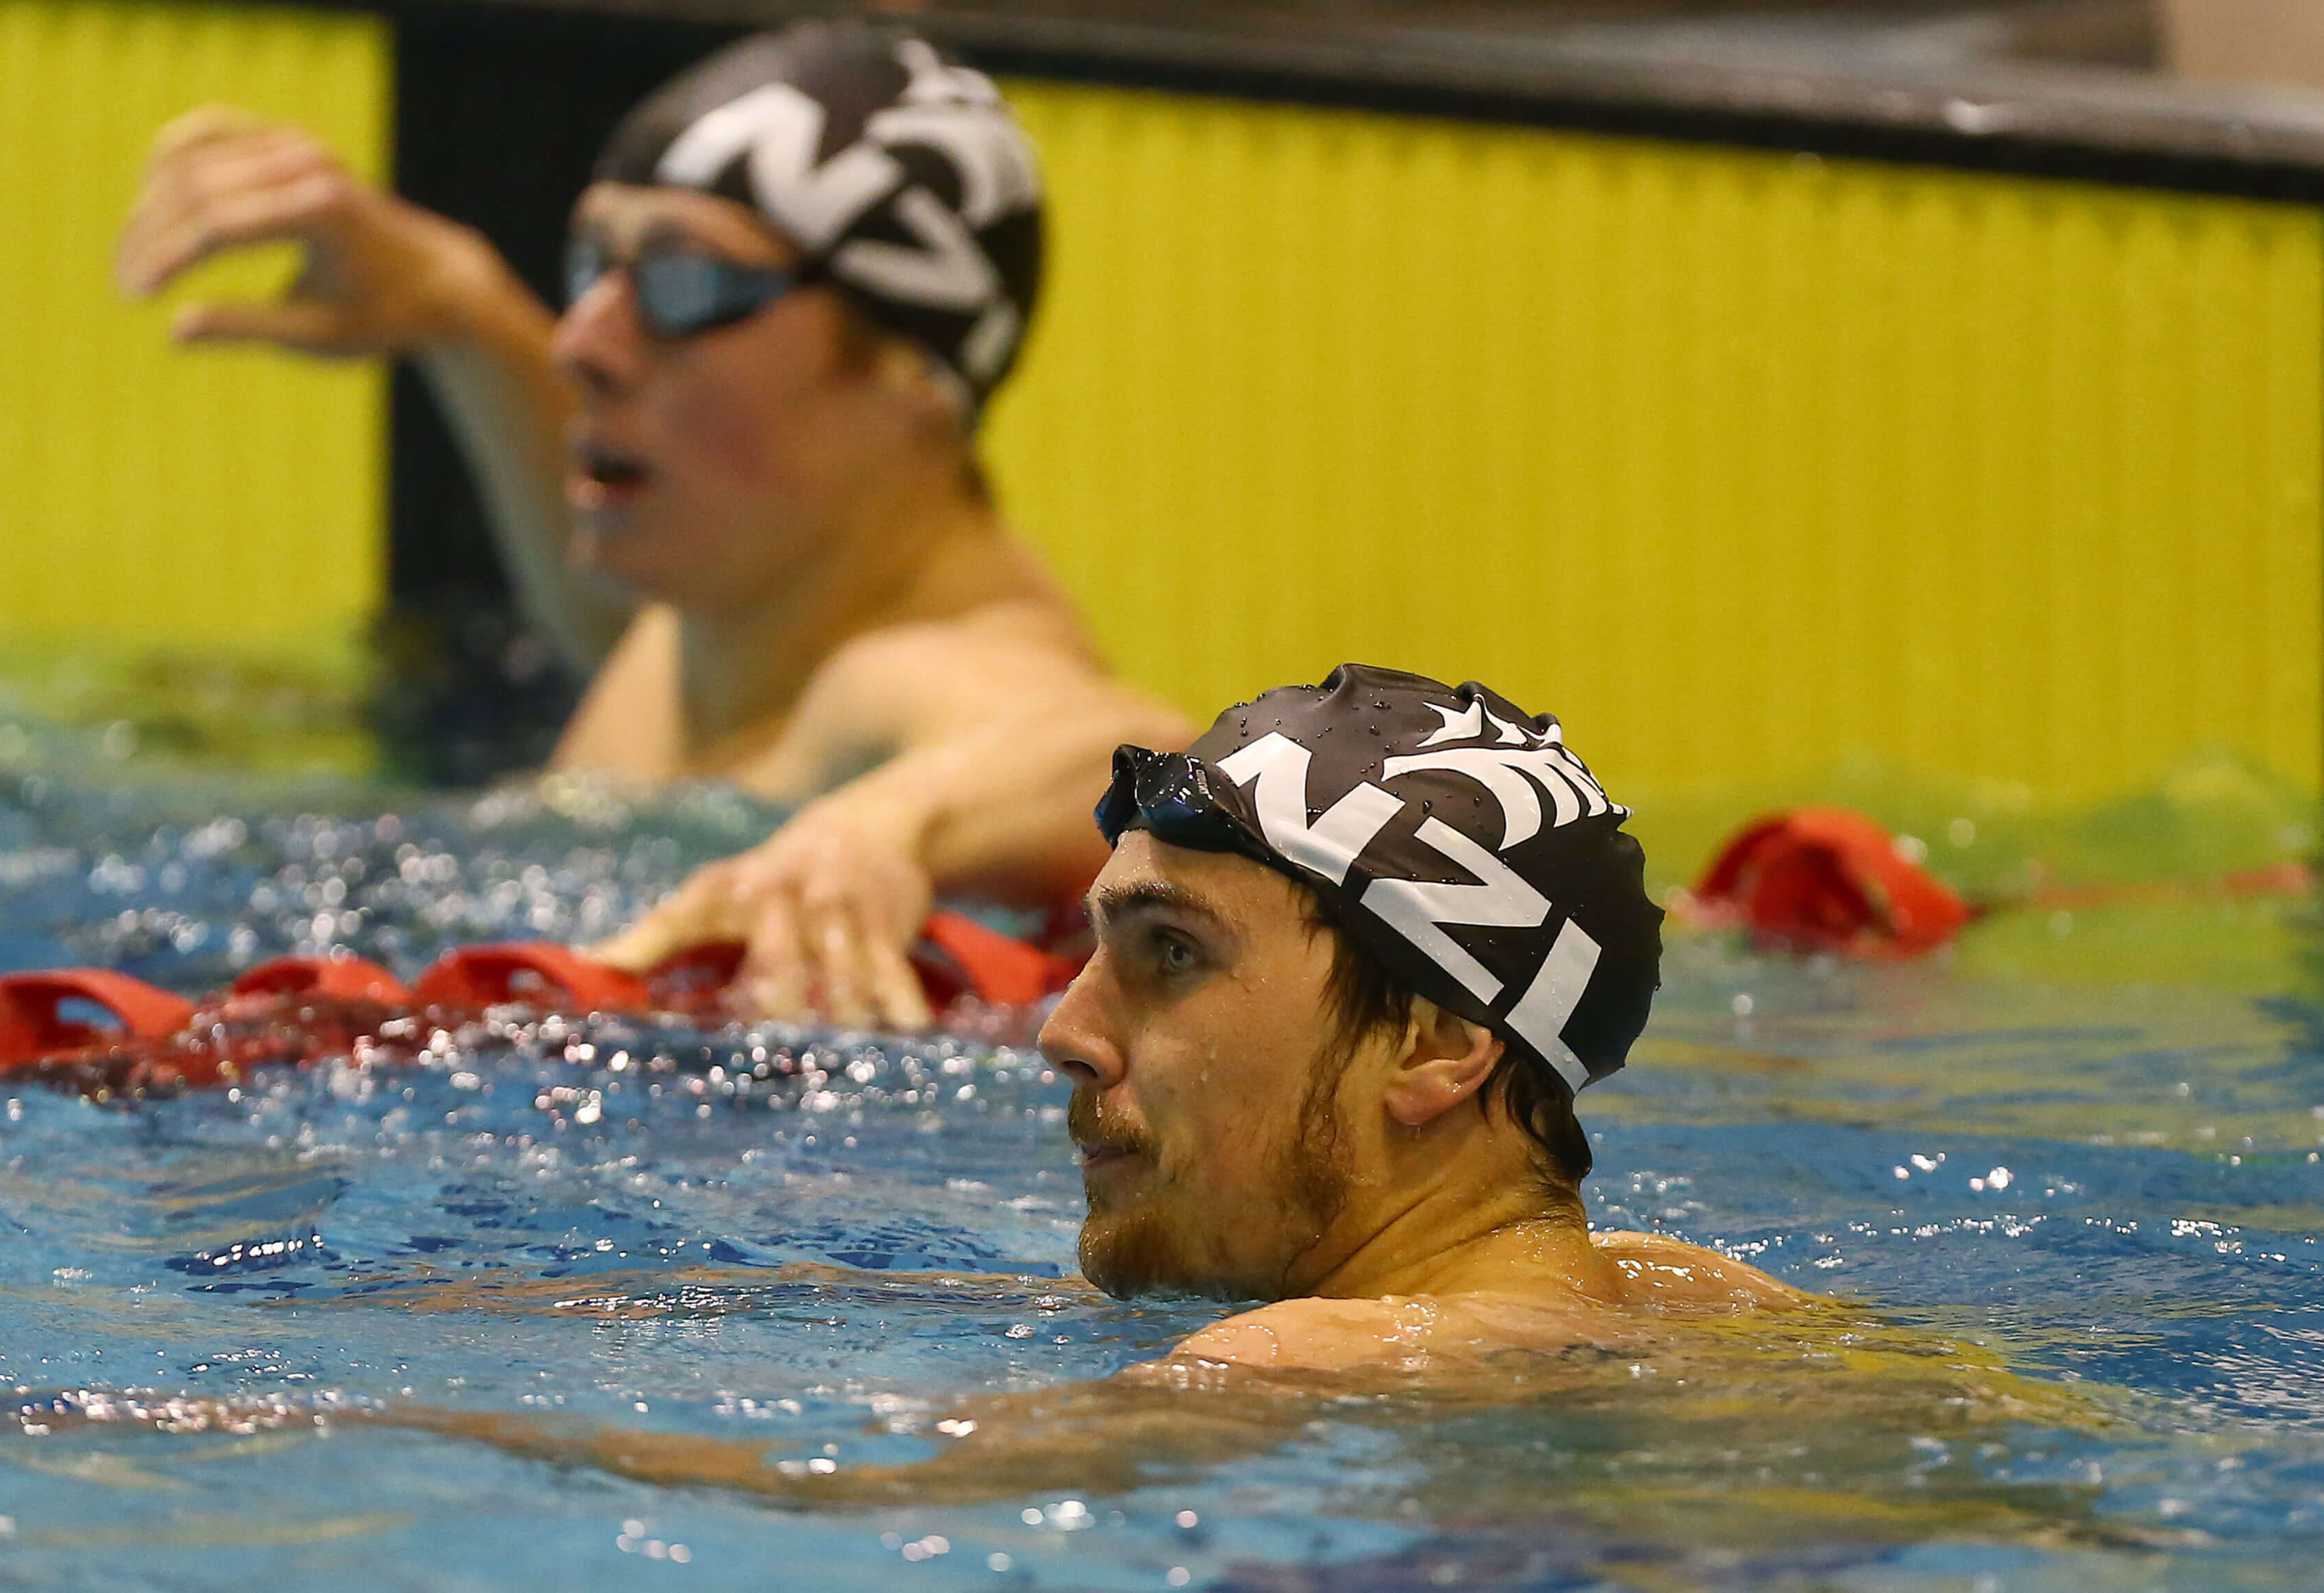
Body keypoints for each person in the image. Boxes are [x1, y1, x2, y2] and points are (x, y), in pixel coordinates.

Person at [297, 666, 2068, 1498]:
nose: (1061, 1029)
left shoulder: (1295, 1359)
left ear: (1442, 1043)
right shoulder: (1707, 1303)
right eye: (1091, 950)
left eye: (1170, 954)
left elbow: (825, 1487)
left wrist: (352, 1419)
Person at [113, 20, 1189, 1027]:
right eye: (596, 264)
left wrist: (884, 827)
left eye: (686, 281)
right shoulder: (725, 619)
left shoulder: (915, 679)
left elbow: (1137, 751)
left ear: (911, 367)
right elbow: (591, 603)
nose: (581, 342)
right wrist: (464, 312)